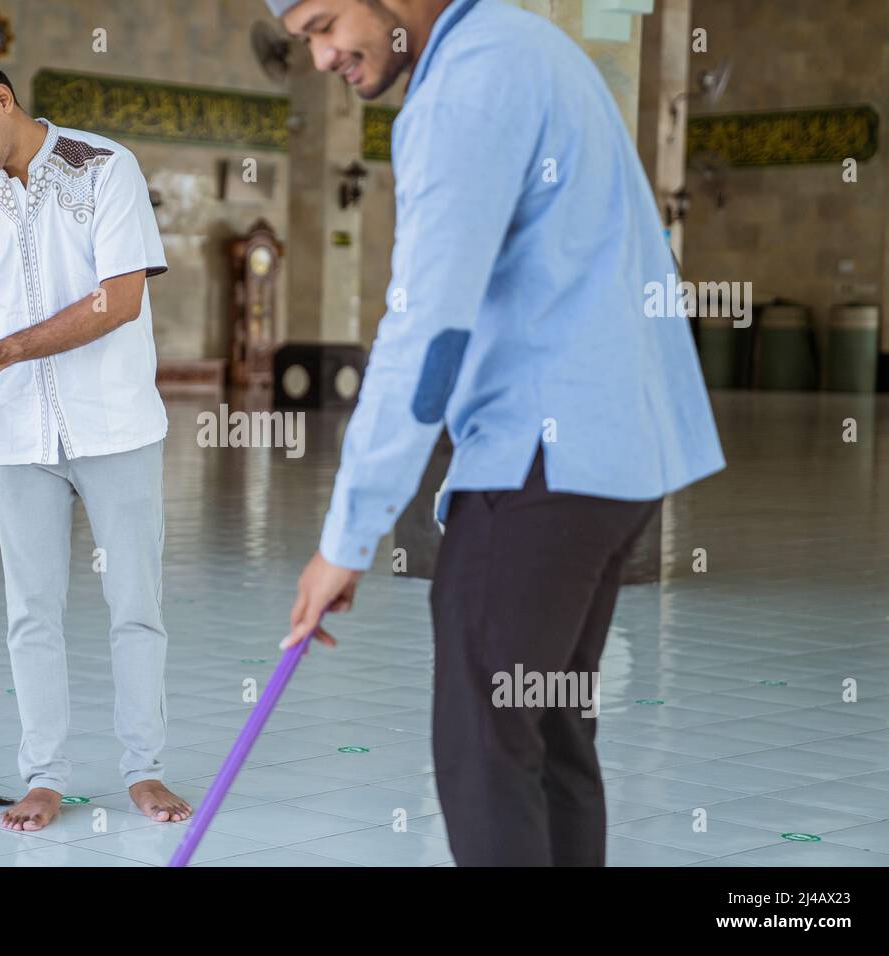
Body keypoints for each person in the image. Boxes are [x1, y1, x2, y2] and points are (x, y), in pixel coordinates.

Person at [270, 0, 726, 865]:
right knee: (550, 738)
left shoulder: (462, 90)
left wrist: (348, 533)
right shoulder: (529, 47)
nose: (325, 55)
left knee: (486, 752)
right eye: (305, 41)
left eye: (327, 23)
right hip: (619, 456)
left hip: (542, 465)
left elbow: (427, 332)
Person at [0, 36, 191, 829]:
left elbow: (120, 299)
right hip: (24, 436)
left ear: (2, 100)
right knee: (30, 611)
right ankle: (45, 776)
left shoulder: (106, 168)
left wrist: (6, 352)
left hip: (118, 425)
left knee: (134, 605)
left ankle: (144, 769)